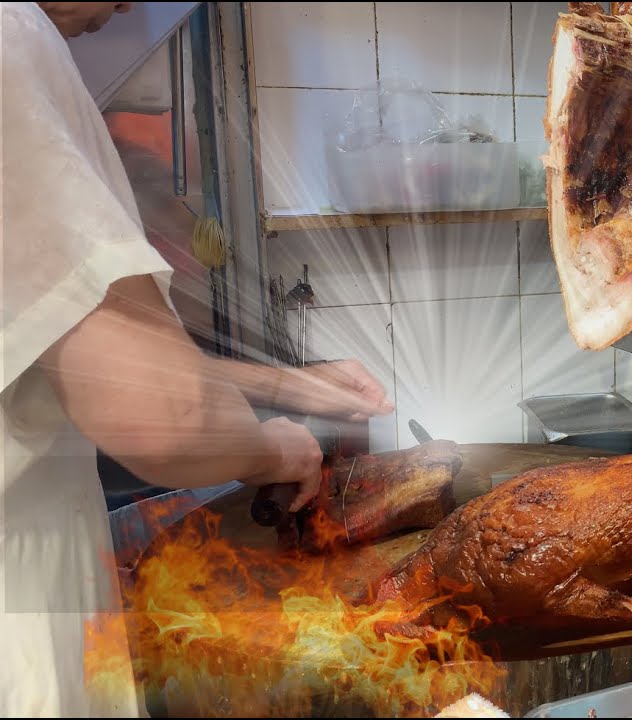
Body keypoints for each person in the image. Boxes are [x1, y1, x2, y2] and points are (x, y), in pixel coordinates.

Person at [2, 2, 395, 715]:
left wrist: (289, 385)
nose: (130, 6)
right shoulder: (10, 37)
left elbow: (58, 360)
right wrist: (274, 451)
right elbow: (168, 413)